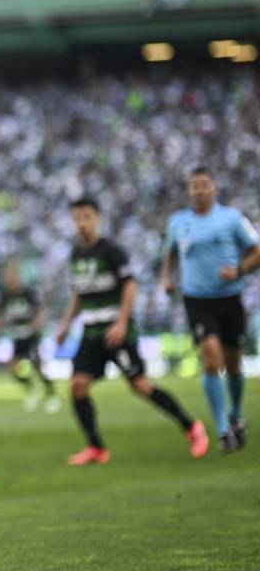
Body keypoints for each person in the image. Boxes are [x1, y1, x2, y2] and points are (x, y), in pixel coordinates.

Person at [55, 197, 209, 465]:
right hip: (91, 333)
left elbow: (130, 285)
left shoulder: (111, 251)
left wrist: (122, 323)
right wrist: (66, 324)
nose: (81, 223)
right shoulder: (76, 254)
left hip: (116, 333)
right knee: (78, 386)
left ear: (97, 218)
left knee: (140, 385)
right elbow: (78, 293)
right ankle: (96, 448)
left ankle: (191, 427)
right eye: (77, 218)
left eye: (87, 217)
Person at [160, 168, 260, 451]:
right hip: (197, 300)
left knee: (233, 362)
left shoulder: (231, 219)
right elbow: (169, 253)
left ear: (214, 189)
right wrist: (166, 278)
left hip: (229, 298)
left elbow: (257, 251)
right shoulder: (178, 222)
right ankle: (222, 428)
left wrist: (239, 269)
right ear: (189, 190)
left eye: (204, 185)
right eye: (194, 186)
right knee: (211, 359)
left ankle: (236, 413)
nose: (199, 191)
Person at [0, 260, 59, 413]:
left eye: (12, 277)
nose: (10, 280)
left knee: (38, 366)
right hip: (17, 335)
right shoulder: (4, 296)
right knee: (12, 368)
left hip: (31, 334)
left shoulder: (28, 292)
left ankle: (51, 395)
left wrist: (36, 325)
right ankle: (31, 389)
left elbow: (41, 310)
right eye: (8, 277)